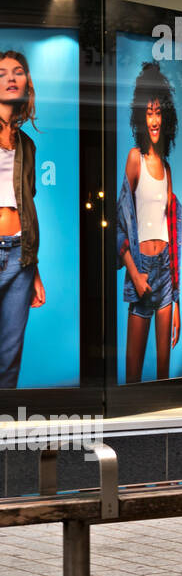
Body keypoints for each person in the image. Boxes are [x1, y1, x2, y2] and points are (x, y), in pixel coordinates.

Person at [117, 63, 182, 382]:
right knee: (133, 375)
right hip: (142, 267)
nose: (154, 120)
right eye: (148, 112)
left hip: (166, 272)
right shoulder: (134, 158)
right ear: (140, 117)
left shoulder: (167, 168)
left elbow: (172, 230)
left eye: (159, 113)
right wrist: (134, 273)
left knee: (164, 374)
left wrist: (178, 301)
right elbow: (118, 224)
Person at [0, 50, 46, 389]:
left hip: (21, 257)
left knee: (10, 353)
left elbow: (27, 203)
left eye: (18, 72)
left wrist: (36, 270)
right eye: (2, 73)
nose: (11, 78)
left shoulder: (26, 145)